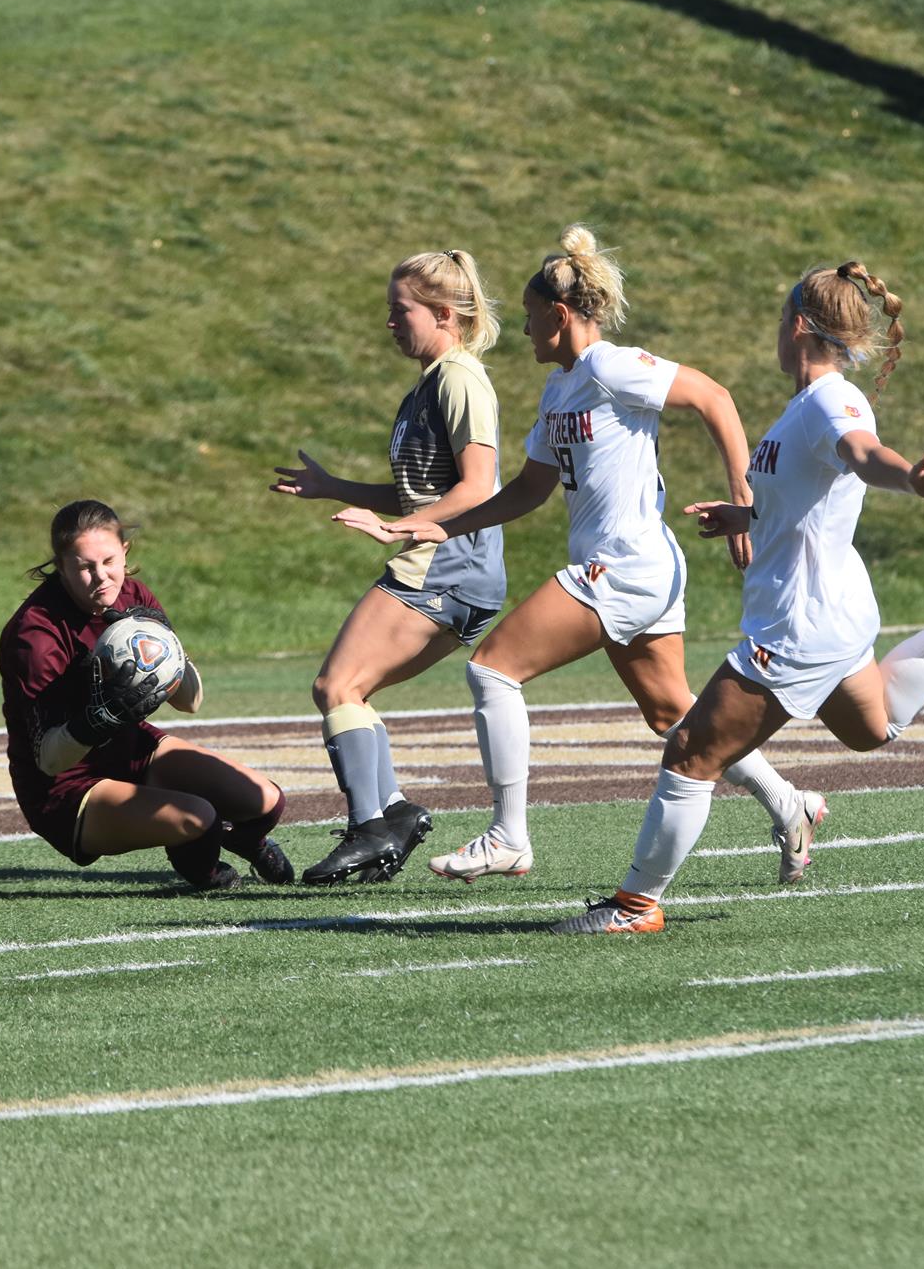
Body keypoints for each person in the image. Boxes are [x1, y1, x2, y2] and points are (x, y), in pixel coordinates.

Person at [550, 261, 924, 935]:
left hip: (798, 624)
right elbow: (807, 495)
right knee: (870, 728)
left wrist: (910, 478)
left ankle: (634, 905)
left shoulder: (830, 399)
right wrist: (746, 518)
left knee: (690, 754)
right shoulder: (802, 405)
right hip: (834, 609)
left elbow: (861, 451)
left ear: (796, 324)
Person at [338, 225, 823, 883]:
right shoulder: (560, 388)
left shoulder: (607, 364)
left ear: (560, 315)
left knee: (492, 670)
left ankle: (509, 834)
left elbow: (714, 397)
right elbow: (529, 490)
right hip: (637, 568)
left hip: (624, 565)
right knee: (669, 711)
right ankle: (788, 802)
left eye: (534, 319)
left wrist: (742, 486)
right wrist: (438, 526)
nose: (526, 332)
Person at [270, 249, 508, 884]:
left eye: (399, 310)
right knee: (351, 692)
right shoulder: (431, 382)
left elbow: (478, 489)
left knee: (335, 687)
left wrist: (394, 528)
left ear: (442, 313)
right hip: (446, 565)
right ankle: (392, 814)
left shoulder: (459, 378)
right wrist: (334, 487)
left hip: (446, 567)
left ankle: (374, 826)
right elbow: (421, 491)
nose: (390, 323)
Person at [0, 499, 292, 891]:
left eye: (108, 561)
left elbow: (190, 701)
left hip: (132, 749)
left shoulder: (133, 596)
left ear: (125, 552)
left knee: (267, 801)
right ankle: (203, 868)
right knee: (199, 818)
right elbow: (50, 760)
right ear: (61, 565)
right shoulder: (35, 634)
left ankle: (241, 840)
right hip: (66, 787)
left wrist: (167, 642)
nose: (100, 577)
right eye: (84, 566)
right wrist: (97, 719)